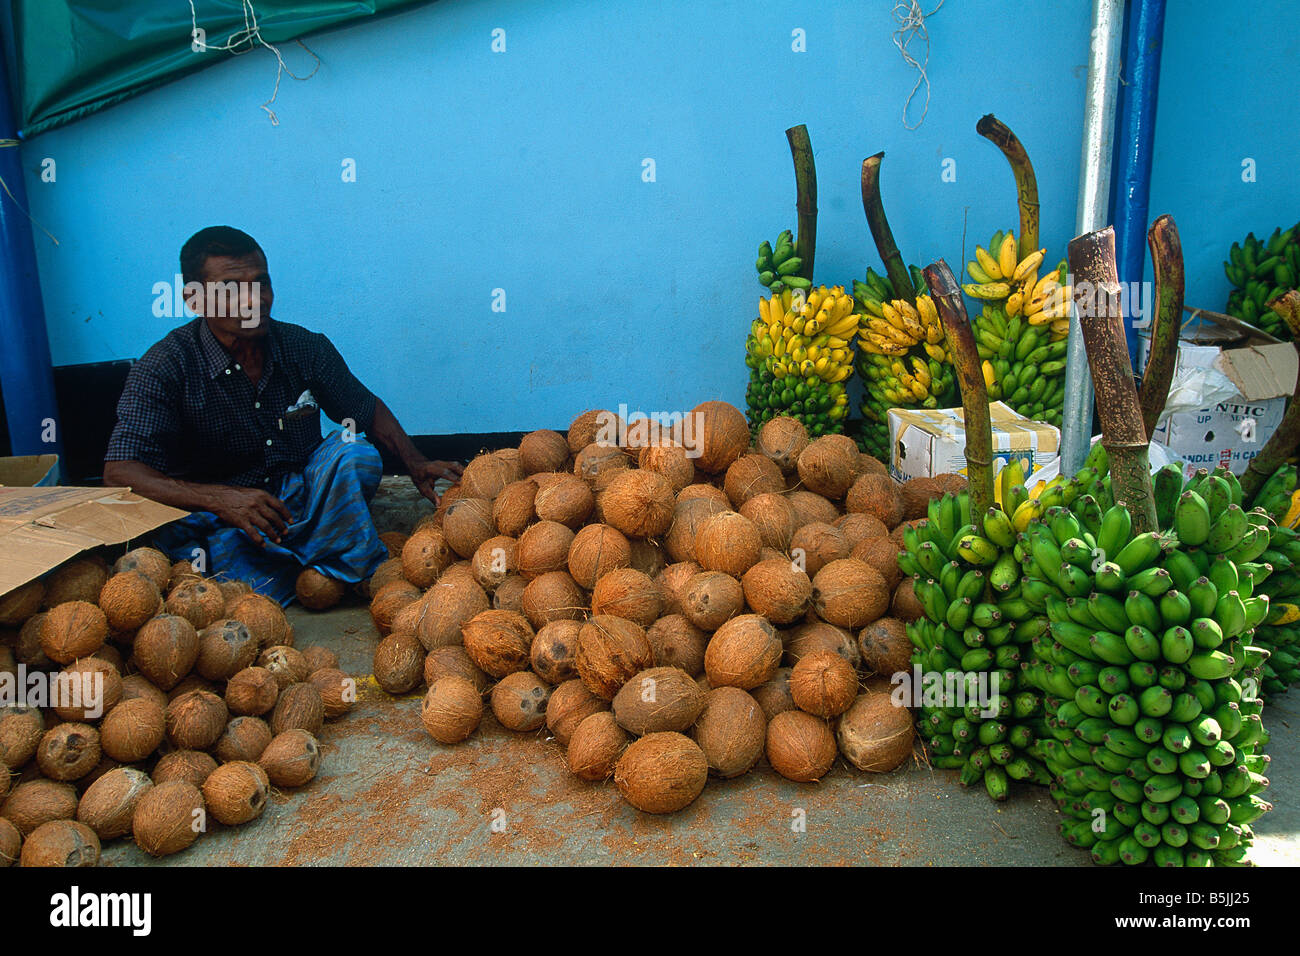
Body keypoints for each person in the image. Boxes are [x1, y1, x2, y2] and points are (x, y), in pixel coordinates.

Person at [103, 226, 463, 605]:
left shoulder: (302, 346)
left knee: (353, 454)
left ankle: (312, 566)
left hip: (298, 500)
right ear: (194, 299)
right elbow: (120, 472)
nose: (253, 300)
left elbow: (364, 409)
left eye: (261, 284)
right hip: (226, 519)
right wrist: (223, 499)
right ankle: (329, 565)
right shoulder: (165, 366)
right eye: (231, 288)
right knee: (209, 565)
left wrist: (415, 462)